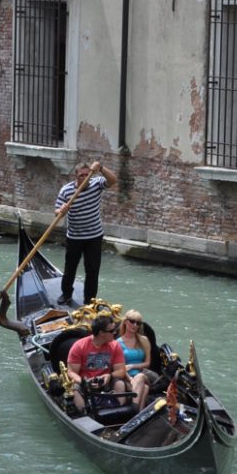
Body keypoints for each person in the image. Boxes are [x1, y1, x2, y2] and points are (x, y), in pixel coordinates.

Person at [54, 160, 117, 307]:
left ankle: (90, 301)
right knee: (70, 268)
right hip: (74, 237)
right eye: (81, 175)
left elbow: (113, 180)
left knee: (92, 270)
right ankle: (66, 294)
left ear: (91, 174)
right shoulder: (66, 191)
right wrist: (61, 210)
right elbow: (57, 211)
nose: (84, 178)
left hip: (94, 236)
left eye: (87, 175)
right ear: (76, 176)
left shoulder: (96, 183)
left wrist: (101, 167)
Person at [66, 315, 128, 413]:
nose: (115, 333)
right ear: (101, 333)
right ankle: (85, 413)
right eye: (111, 331)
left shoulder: (115, 345)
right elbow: (71, 372)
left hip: (106, 383)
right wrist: (84, 382)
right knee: (74, 390)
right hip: (85, 385)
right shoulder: (79, 346)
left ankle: (118, 412)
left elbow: (121, 371)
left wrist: (109, 375)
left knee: (119, 383)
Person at [117, 309, 162, 409]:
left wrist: (133, 366)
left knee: (140, 377)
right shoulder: (118, 343)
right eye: (132, 321)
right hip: (126, 376)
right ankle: (138, 414)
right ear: (125, 322)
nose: (135, 325)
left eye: (138, 323)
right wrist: (130, 379)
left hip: (145, 374)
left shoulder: (144, 340)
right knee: (144, 388)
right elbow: (119, 366)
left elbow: (147, 363)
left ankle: (134, 407)